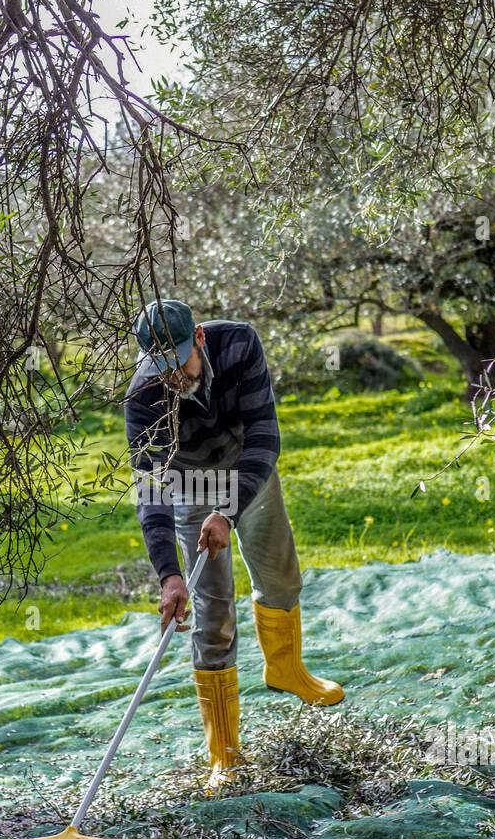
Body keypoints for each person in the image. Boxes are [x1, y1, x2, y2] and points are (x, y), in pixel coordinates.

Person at [125, 298, 344, 790]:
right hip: (191, 488)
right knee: (211, 615)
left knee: (281, 579)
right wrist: (169, 575)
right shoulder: (144, 395)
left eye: (179, 362)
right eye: (161, 368)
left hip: (249, 472)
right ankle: (224, 753)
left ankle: (287, 671)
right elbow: (152, 490)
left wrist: (229, 511)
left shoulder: (240, 342)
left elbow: (266, 435)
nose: (173, 377)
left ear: (199, 338)